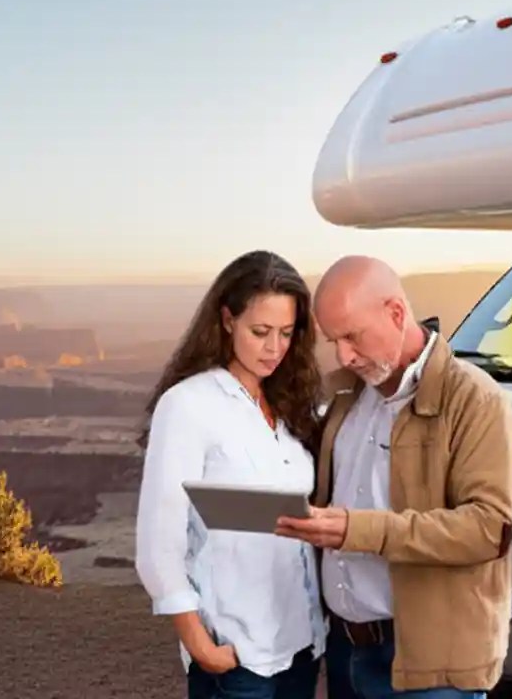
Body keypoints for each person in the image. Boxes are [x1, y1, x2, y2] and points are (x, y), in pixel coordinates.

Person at [276, 255, 512, 699]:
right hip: (345, 652)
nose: (344, 355)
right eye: (333, 341)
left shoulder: (477, 400)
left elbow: (488, 530)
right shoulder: (346, 394)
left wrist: (358, 528)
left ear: (395, 312)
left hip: (432, 667)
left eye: (352, 336)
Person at [135, 250, 327, 699]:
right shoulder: (188, 405)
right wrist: (201, 646)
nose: (274, 348)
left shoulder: (293, 404)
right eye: (260, 332)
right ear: (226, 320)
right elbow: (158, 544)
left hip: (302, 647)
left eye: (285, 333)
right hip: (236, 657)